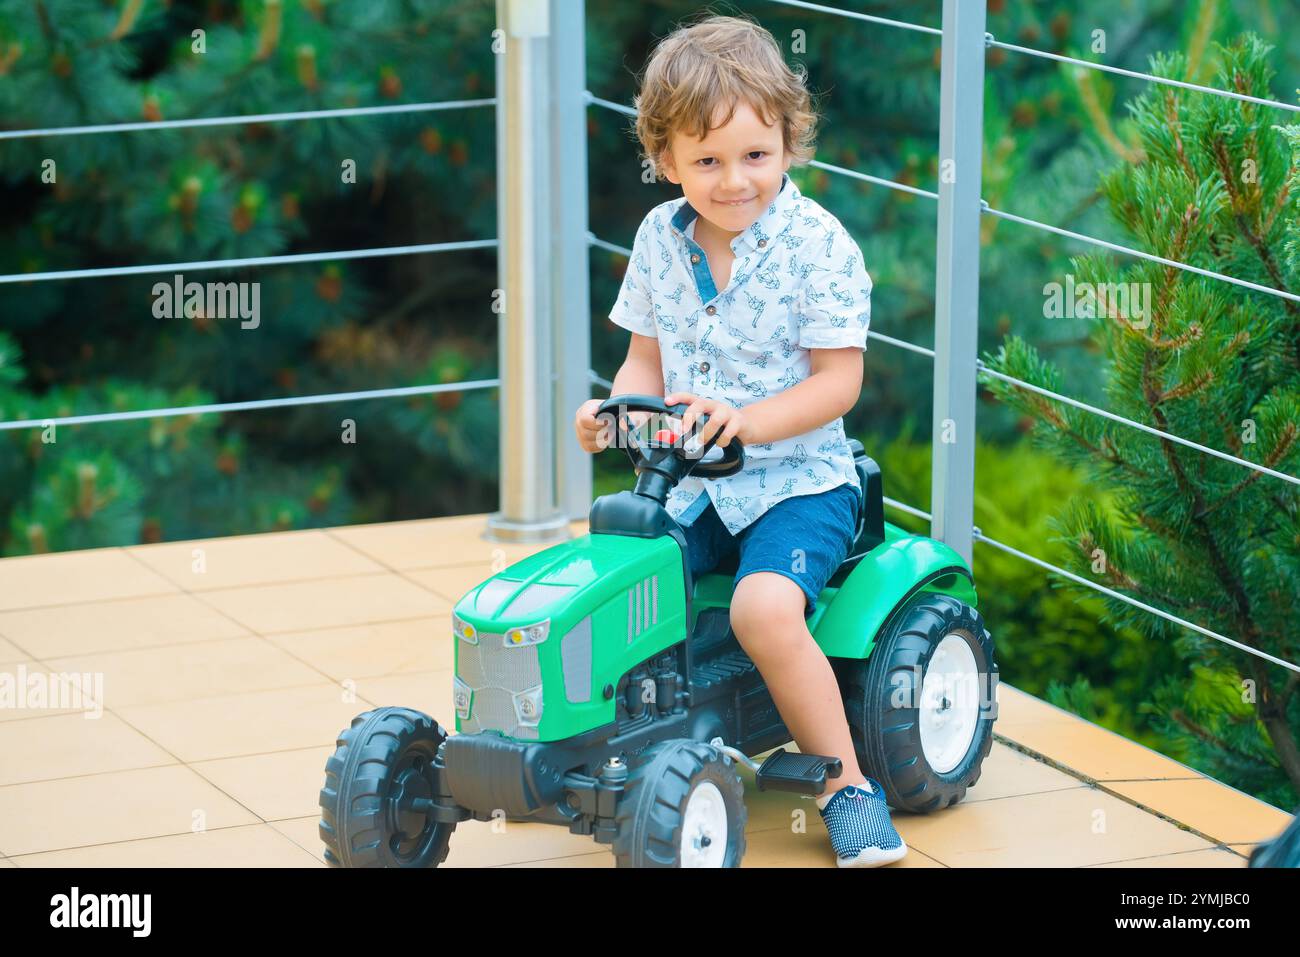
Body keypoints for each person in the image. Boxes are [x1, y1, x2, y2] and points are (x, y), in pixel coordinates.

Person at [574, 13, 905, 867]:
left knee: (762, 607)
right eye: (706, 161)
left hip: (800, 480)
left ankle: (847, 788)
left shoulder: (818, 247)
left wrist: (749, 422)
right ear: (665, 158)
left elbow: (840, 383)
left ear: (788, 141)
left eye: (755, 155)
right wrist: (614, 413)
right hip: (693, 478)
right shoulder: (658, 239)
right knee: (621, 567)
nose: (732, 181)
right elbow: (642, 361)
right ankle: (628, 739)